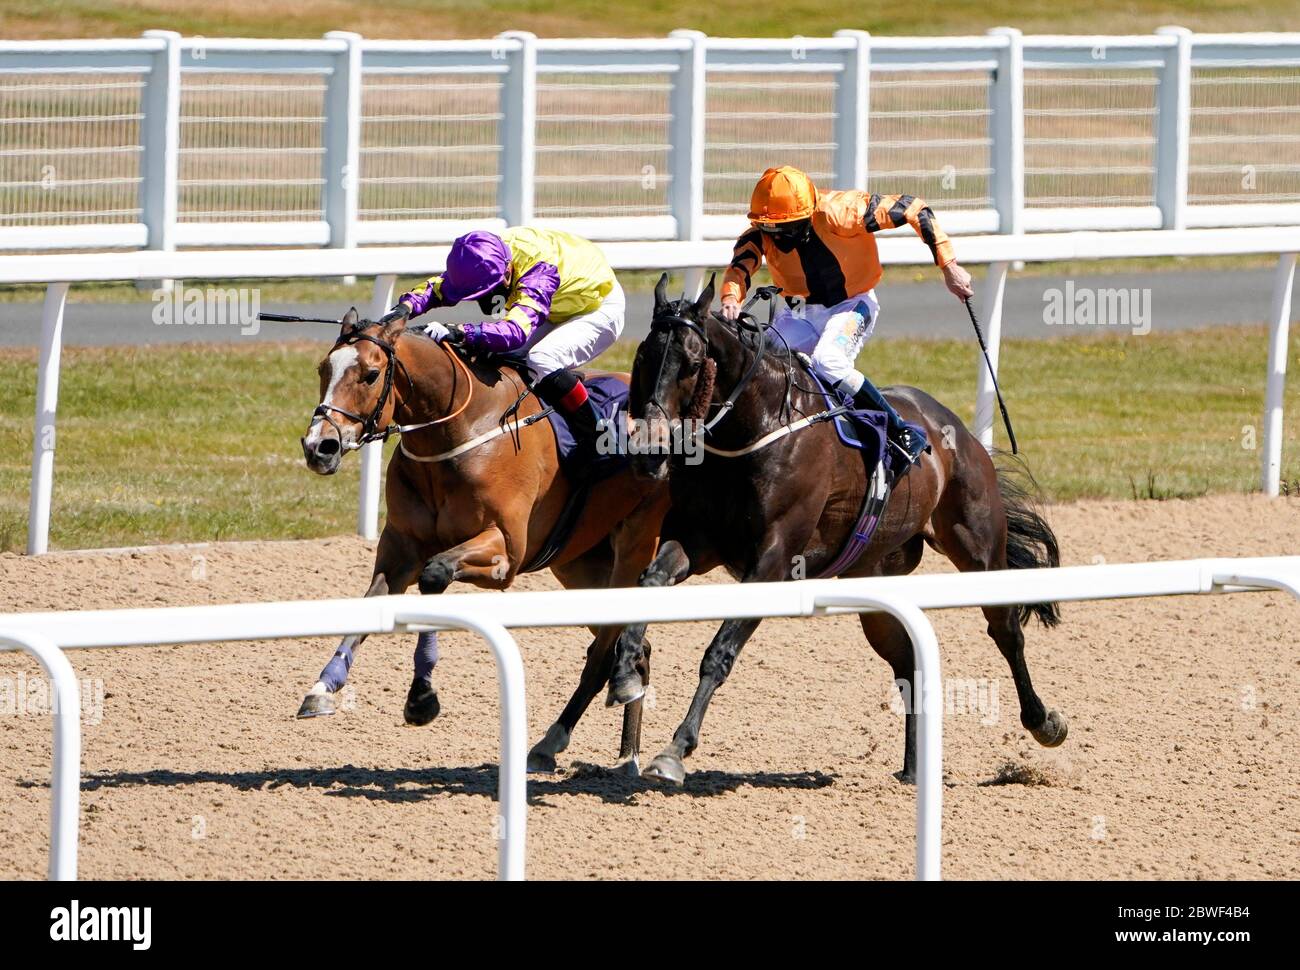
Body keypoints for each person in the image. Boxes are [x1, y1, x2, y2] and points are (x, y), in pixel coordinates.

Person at [720, 165, 974, 465]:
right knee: (761, 359)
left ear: (806, 215)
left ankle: (898, 430)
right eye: (769, 230)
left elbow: (914, 208)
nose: (776, 239)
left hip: (852, 304)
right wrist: (729, 298)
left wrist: (949, 266)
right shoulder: (763, 231)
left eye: (785, 230)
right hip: (800, 312)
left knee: (828, 362)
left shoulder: (843, 211)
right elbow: (739, 267)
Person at [382, 226, 624, 464]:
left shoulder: (538, 272)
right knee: (491, 350)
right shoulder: (481, 258)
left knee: (543, 359)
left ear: (507, 272)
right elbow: (439, 288)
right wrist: (404, 309)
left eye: (489, 291)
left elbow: (516, 331)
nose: (485, 301)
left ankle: (599, 437)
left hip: (597, 308)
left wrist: (459, 331)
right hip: (557, 303)